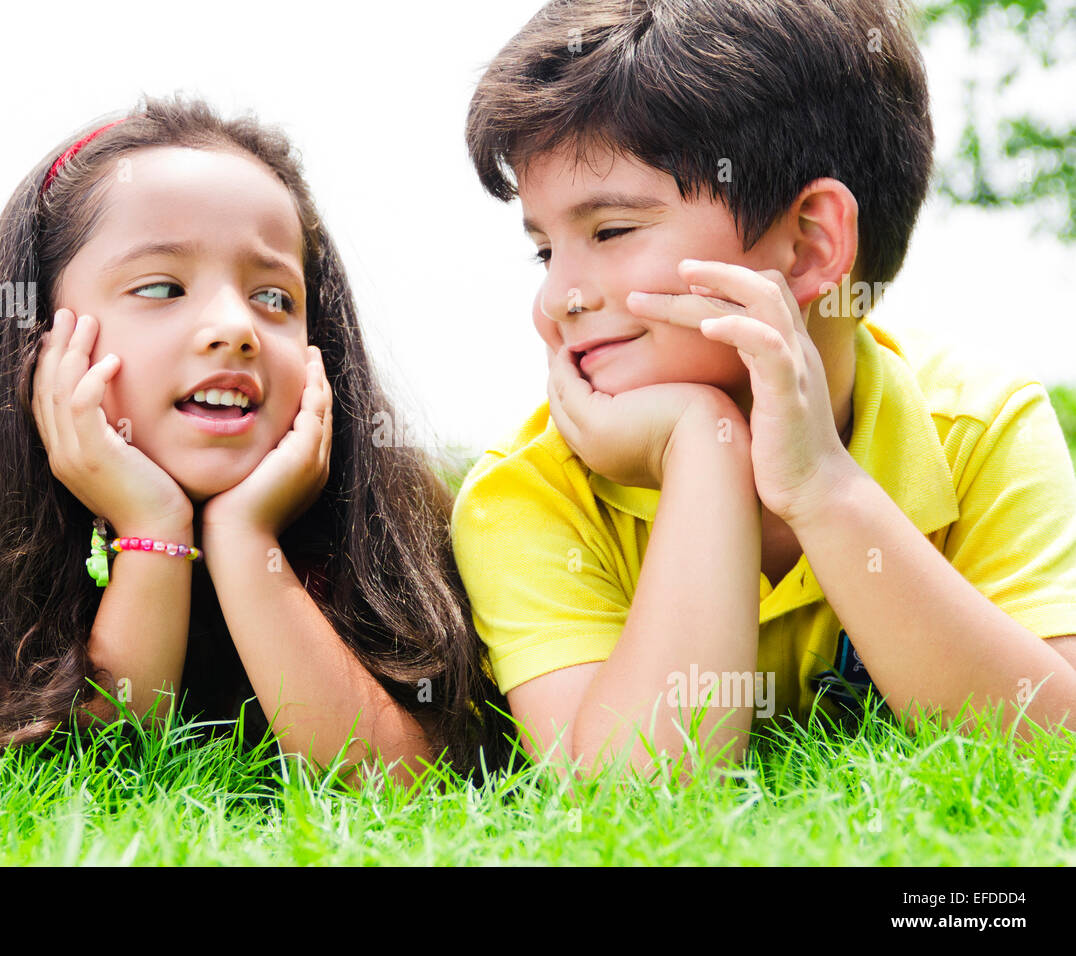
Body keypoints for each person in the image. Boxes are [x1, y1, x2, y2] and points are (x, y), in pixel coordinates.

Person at [0, 93, 510, 785]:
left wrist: (245, 540)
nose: (234, 326)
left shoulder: (394, 548)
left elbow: (402, 785)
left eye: (274, 298)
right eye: (163, 289)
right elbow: (83, 786)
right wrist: (152, 530)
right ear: (42, 336)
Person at [452, 0, 1076, 778]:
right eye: (546, 251)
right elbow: (635, 804)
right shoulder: (528, 497)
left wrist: (821, 486)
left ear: (811, 245)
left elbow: (1054, 753)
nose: (558, 300)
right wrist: (701, 446)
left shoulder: (978, 430)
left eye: (610, 232)